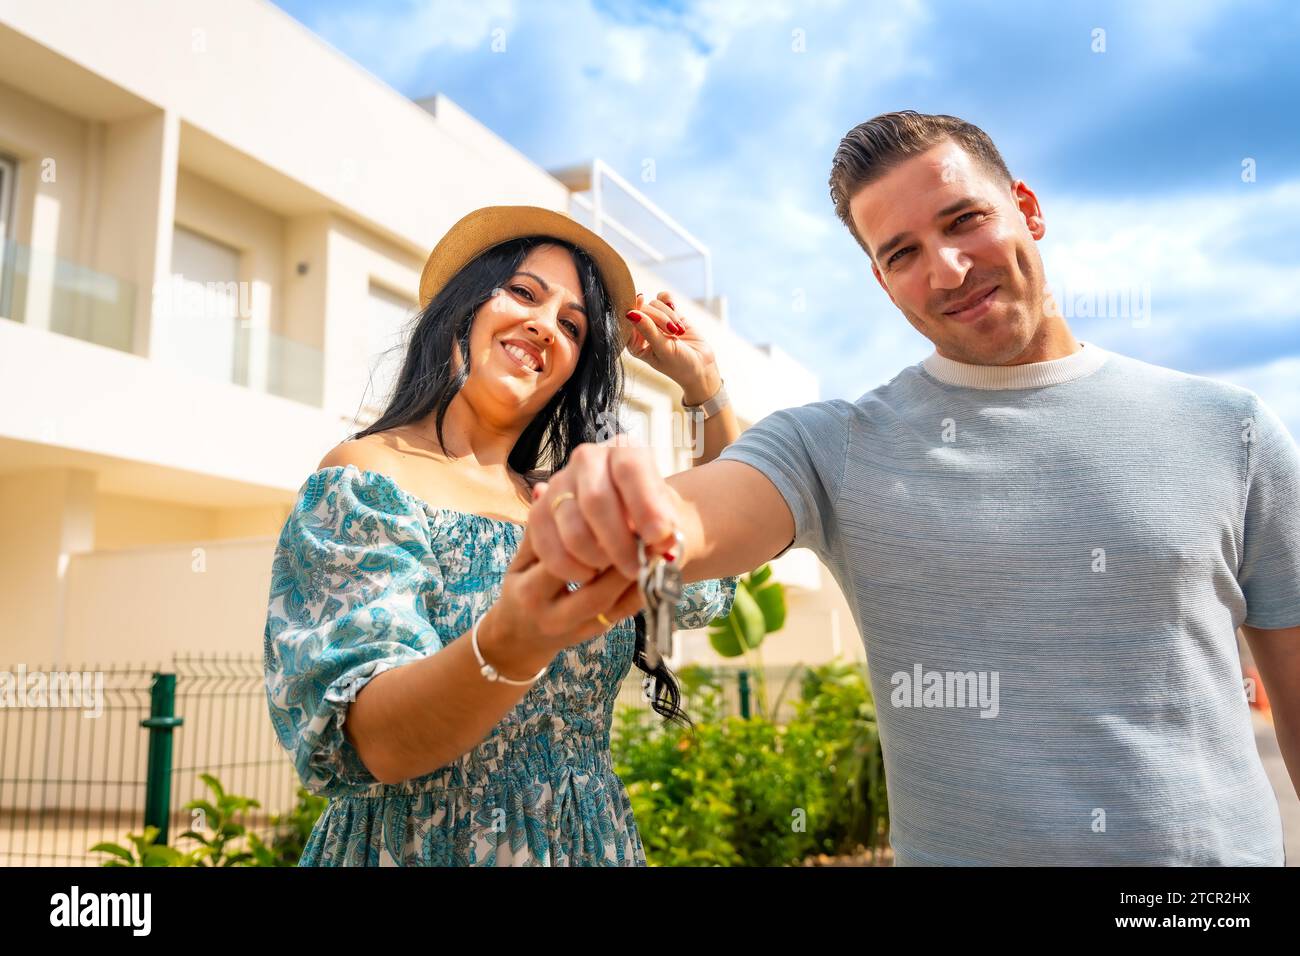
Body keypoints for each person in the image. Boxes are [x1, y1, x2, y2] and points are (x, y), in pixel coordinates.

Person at [522, 112, 1300, 866]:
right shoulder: (836, 444)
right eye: (902, 253)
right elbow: (696, 514)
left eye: (964, 220)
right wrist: (615, 509)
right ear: (882, 280)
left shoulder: (1229, 427)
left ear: (1026, 209)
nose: (948, 270)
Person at [263, 205, 740, 866]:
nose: (545, 326)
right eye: (523, 293)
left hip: (587, 844)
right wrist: (515, 639)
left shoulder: (558, 502)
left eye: (572, 326)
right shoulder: (366, 476)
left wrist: (705, 391)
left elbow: (707, 572)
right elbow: (374, 742)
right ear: (463, 309)